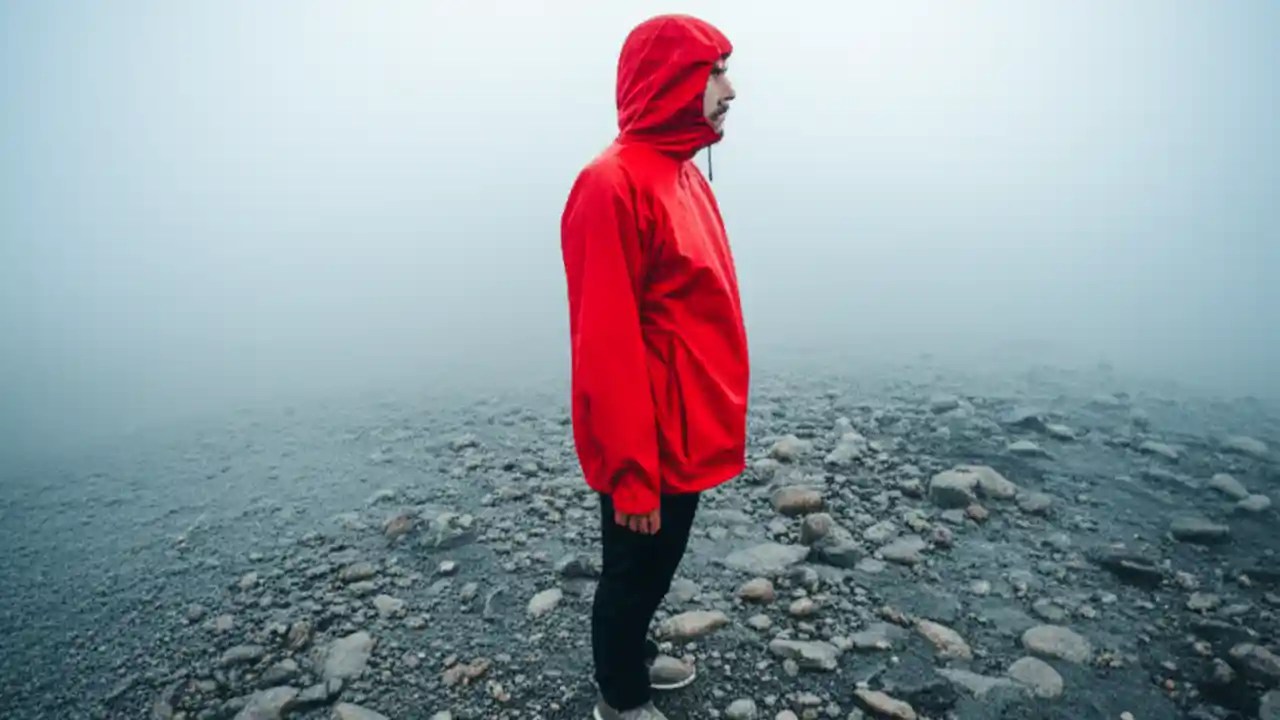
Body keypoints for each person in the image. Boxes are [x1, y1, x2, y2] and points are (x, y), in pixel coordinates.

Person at [558, 13, 749, 720]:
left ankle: (633, 657)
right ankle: (621, 697)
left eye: (726, 70)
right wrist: (632, 475)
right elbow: (605, 348)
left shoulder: (683, 174)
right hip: (651, 436)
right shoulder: (609, 185)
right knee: (632, 574)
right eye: (713, 72)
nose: (730, 89)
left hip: (686, 425)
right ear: (670, 79)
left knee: (656, 567)